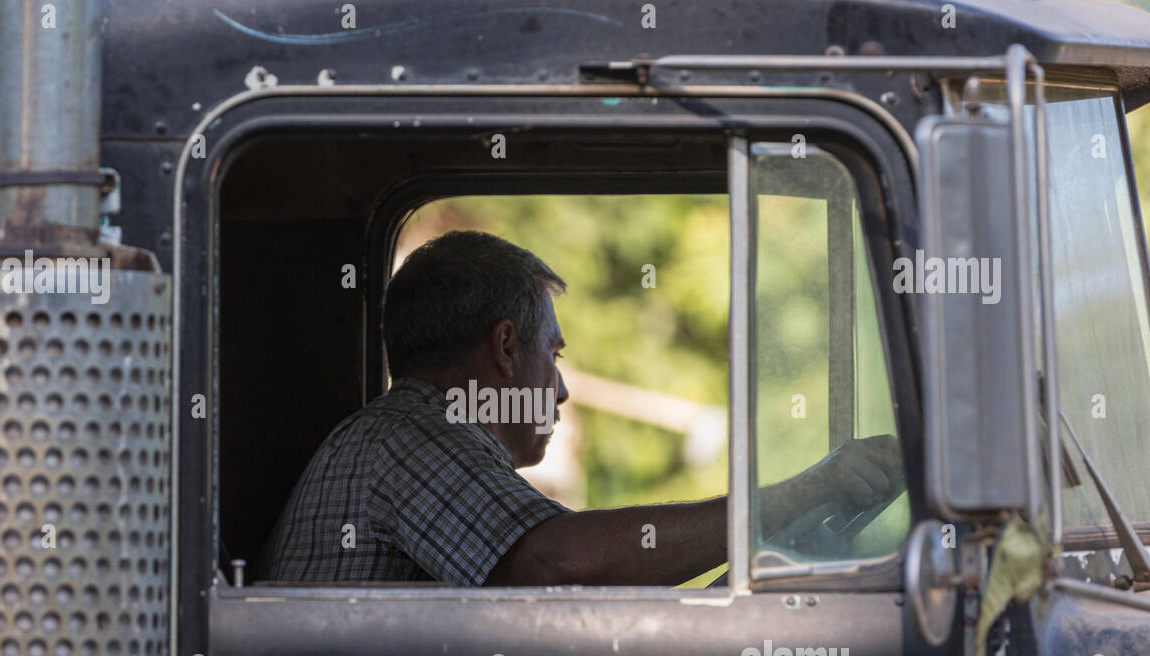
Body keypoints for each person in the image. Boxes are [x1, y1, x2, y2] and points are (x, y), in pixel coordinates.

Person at [259, 230, 901, 586]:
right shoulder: (414, 433)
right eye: (556, 357)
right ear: (505, 349)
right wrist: (795, 496)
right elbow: (555, 562)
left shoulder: (406, 433)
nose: (562, 392)